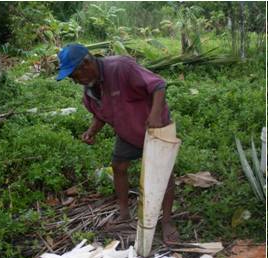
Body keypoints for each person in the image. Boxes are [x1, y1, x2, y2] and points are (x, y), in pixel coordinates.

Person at [56, 43, 180, 243]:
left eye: (75, 75)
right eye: (71, 78)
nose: (75, 81)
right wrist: (91, 132)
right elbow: (100, 115)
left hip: (154, 129)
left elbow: (158, 85)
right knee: (118, 166)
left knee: (163, 174)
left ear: (86, 63)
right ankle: (123, 213)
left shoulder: (121, 67)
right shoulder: (89, 91)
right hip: (127, 132)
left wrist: (155, 115)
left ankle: (167, 222)